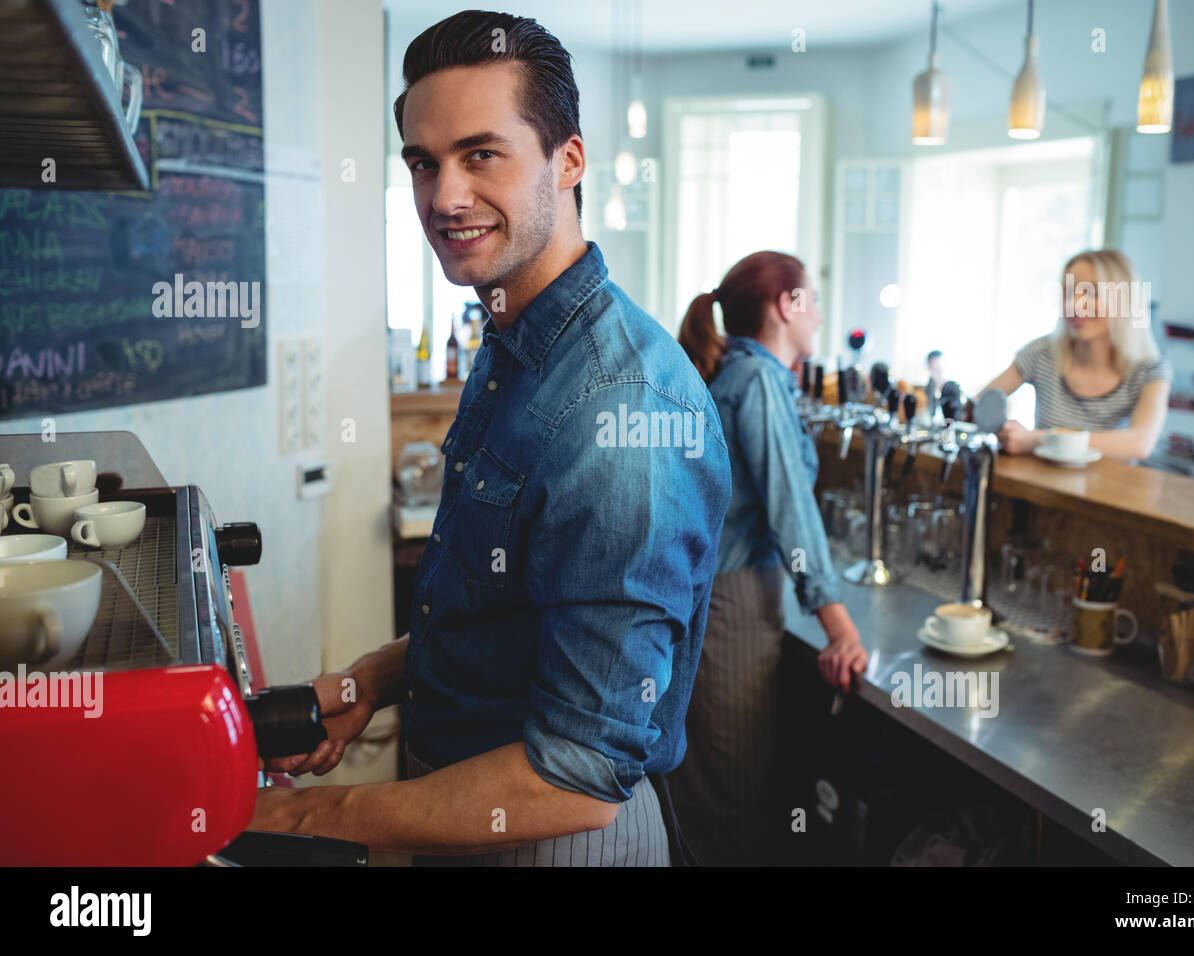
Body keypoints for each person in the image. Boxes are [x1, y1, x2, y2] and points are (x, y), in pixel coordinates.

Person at [250, 10, 731, 866]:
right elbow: (498, 613)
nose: (445, 197)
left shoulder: (622, 414)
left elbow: (577, 776)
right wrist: (371, 681)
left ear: (569, 160)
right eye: (424, 164)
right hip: (463, 811)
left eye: (482, 155)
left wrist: (312, 815)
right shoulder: (515, 343)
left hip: (548, 835)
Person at [673, 251, 869, 865]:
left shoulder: (735, 372)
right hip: (731, 606)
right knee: (735, 798)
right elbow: (792, 513)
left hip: (720, 597)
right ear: (787, 306)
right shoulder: (756, 381)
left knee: (713, 787)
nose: (820, 314)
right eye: (812, 299)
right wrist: (839, 627)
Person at [980, 248, 1172, 460]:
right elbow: (980, 405)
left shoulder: (1150, 370)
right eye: (1068, 293)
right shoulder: (1041, 354)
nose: (1074, 305)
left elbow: (1140, 444)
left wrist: (1038, 439)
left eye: (1092, 293)